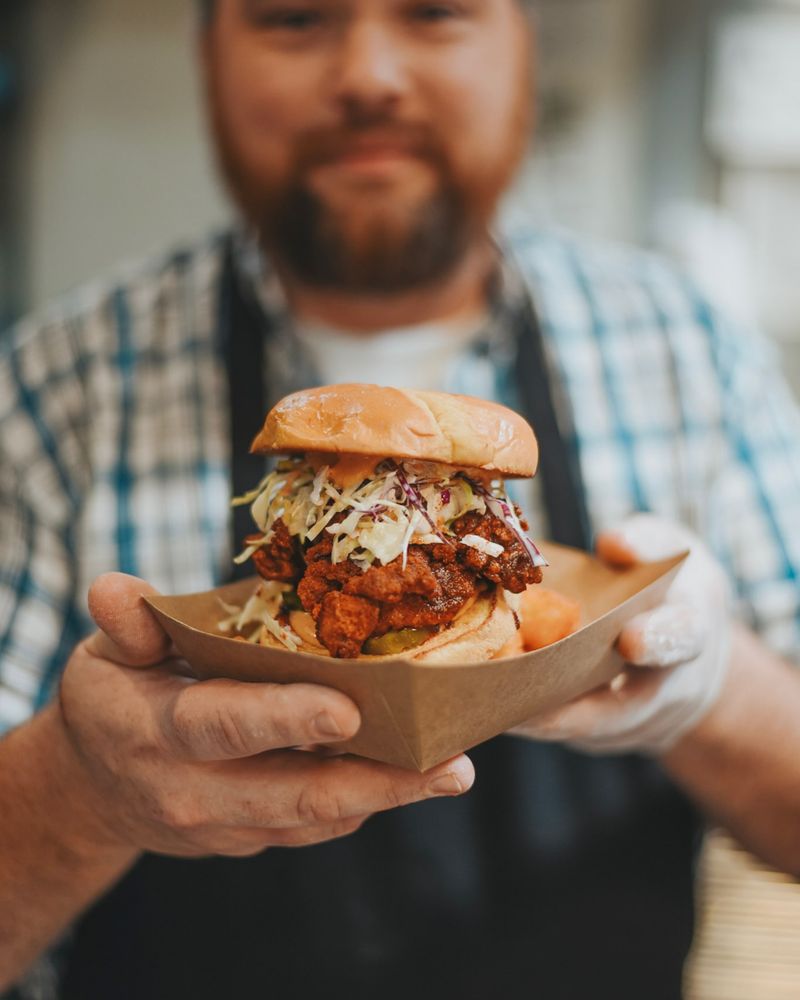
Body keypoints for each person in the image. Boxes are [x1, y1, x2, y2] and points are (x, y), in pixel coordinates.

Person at [1, 0, 800, 997]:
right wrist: (76, 793)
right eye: (294, 19)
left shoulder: (689, 354)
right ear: (209, 56)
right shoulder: (55, 390)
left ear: (522, 43)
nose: (368, 74)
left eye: (434, 12)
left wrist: (713, 685)